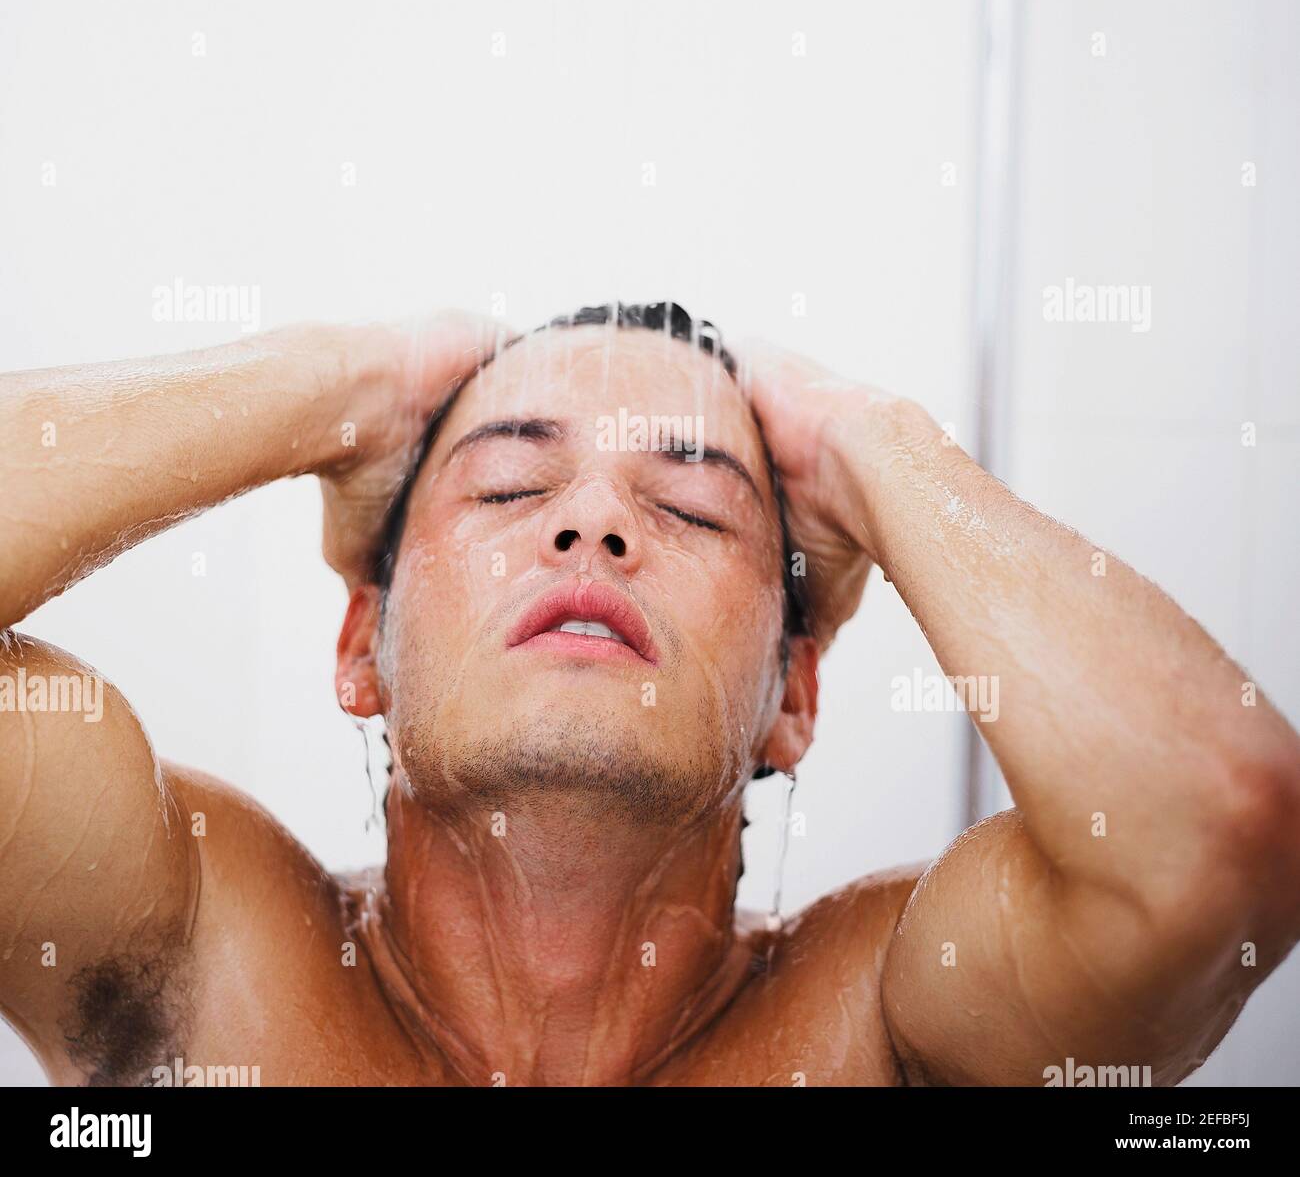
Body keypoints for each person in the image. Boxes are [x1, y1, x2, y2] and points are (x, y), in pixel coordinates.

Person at [2, 302, 1297, 1087]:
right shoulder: (188, 952)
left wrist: (871, 441)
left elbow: (1220, 831)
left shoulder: (888, 1030)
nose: (596, 527)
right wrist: (343, 385)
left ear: (793, 687)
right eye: (510, 487)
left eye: (689, 504)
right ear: (362, 645)